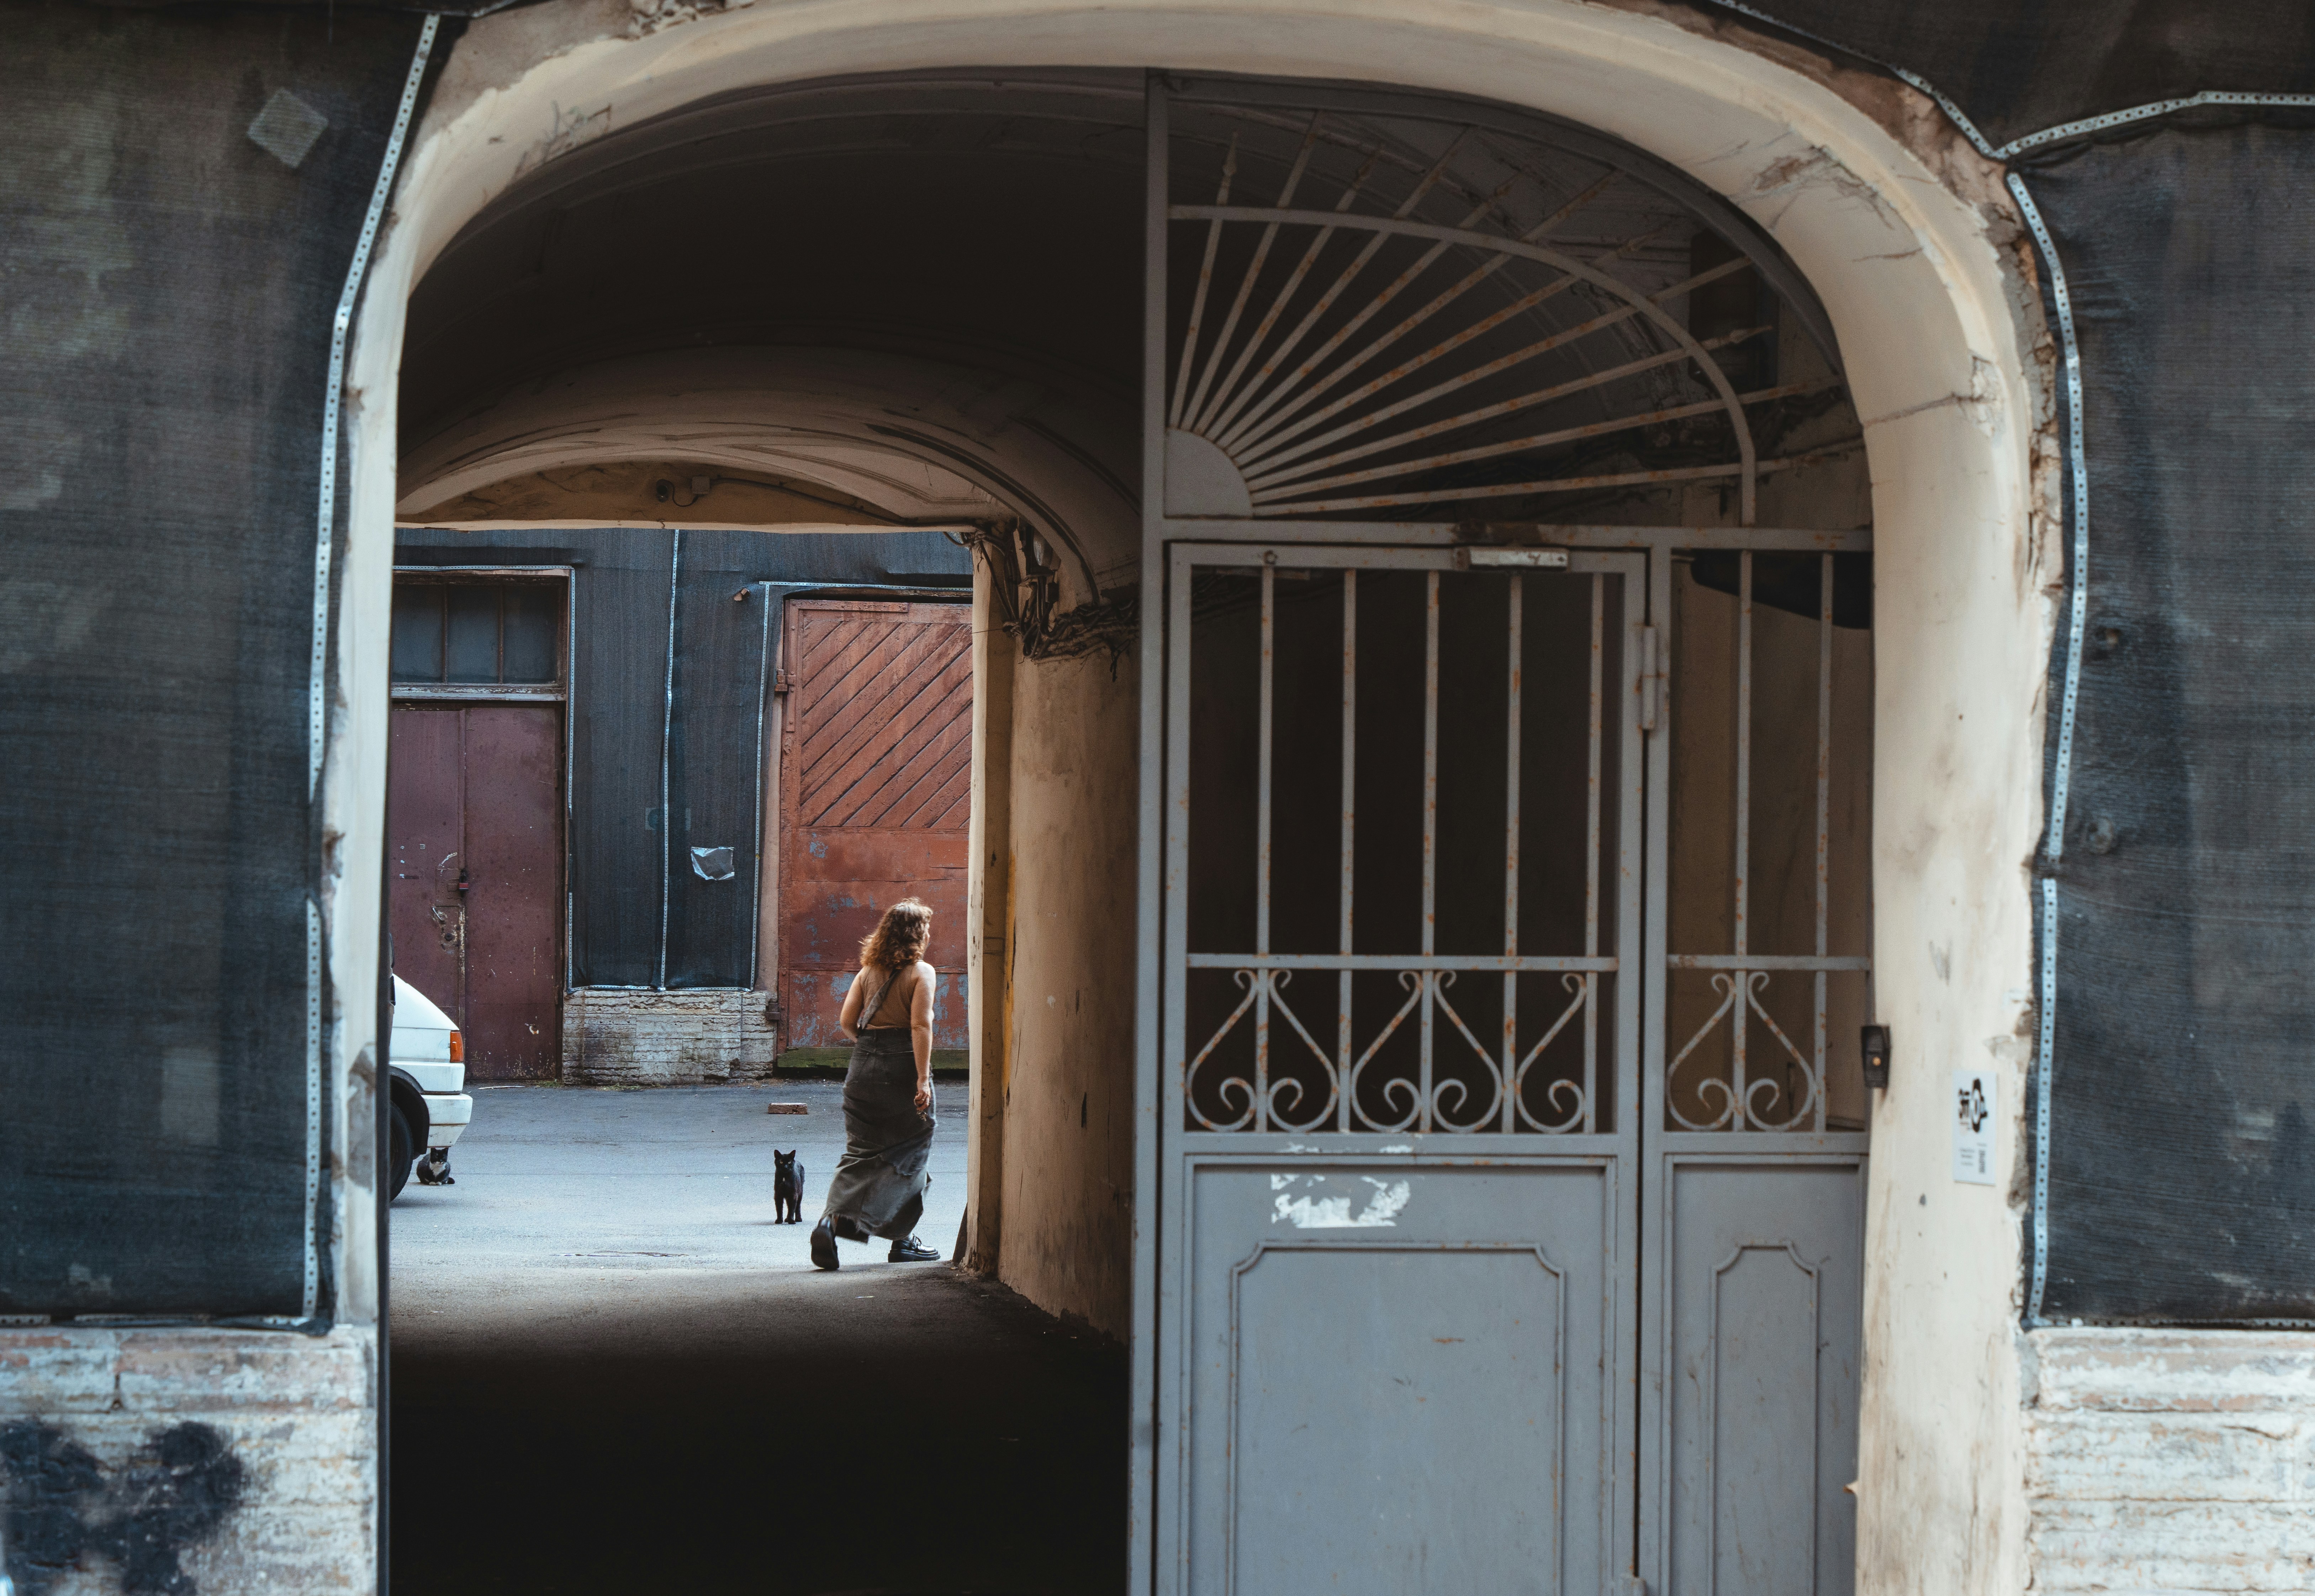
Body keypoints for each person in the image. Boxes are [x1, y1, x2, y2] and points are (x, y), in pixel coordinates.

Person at [811, 898, 944, 1270]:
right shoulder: (922, 972)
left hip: (863, 1066)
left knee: (860, 1151)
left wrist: (872, 1048)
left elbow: (847, 1022)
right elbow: (920, 1025)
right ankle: (899, 1239)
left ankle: (830, 1220)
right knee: (912, 1151)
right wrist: (921, 1078)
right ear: (918, 934)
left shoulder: (867, 972)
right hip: (903, 1068)